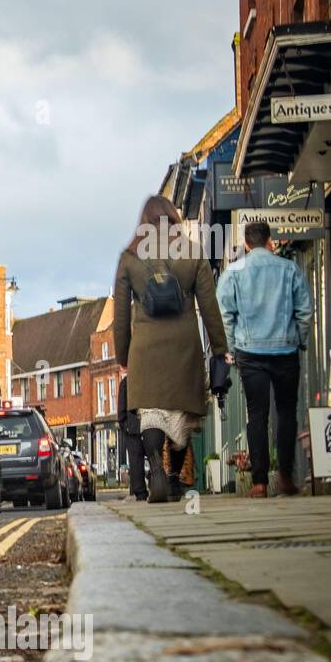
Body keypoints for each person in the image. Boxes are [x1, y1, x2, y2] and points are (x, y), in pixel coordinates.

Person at [114, 195, 229, 504]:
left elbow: (121, 316)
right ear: (173, 218)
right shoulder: (192, 252)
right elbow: (209, 308)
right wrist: (220, 349)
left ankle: (156, 469)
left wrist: (123, 357)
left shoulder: (130, 256)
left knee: (152, 413)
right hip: (184, 344)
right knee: (179, 415)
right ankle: (175, 480)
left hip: (146, 347)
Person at [216, 221, 313, 497]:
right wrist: (300, 340)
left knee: (257, 415)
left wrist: (233, 348)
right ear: (270, 240)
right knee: (286, 412)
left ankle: (259, 482)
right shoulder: (289, 269)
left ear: (246, 244)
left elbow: (225, 314)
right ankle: (285, 476)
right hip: (285, 351)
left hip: (251, 353)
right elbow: (305, 311)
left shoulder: (233, 273)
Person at [118, 374, 147, 502]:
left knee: (138, 460)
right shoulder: (126, 382)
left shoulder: (127, 381)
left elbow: (121, 410)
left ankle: (142, 493)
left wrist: (124, 423)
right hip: (136, 426)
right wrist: (125, 425)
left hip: (142, 425)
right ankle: (141, 493)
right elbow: (121, 409)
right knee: (138, 461)